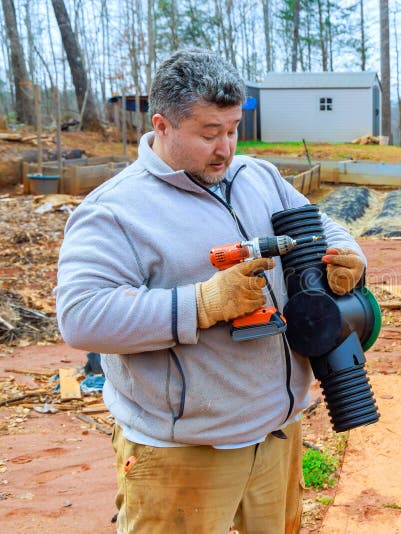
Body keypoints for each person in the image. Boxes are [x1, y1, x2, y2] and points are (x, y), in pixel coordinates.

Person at [55, 48, 365, 533]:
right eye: (208, 134)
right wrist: (200, 304)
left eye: (232, 129)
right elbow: (81, 316)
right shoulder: (115, 210)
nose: (225, 149)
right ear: (162, 125)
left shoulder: (257, 177)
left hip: (276, 435)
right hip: (184, 455)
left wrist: (351, 258)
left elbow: (322, 225)